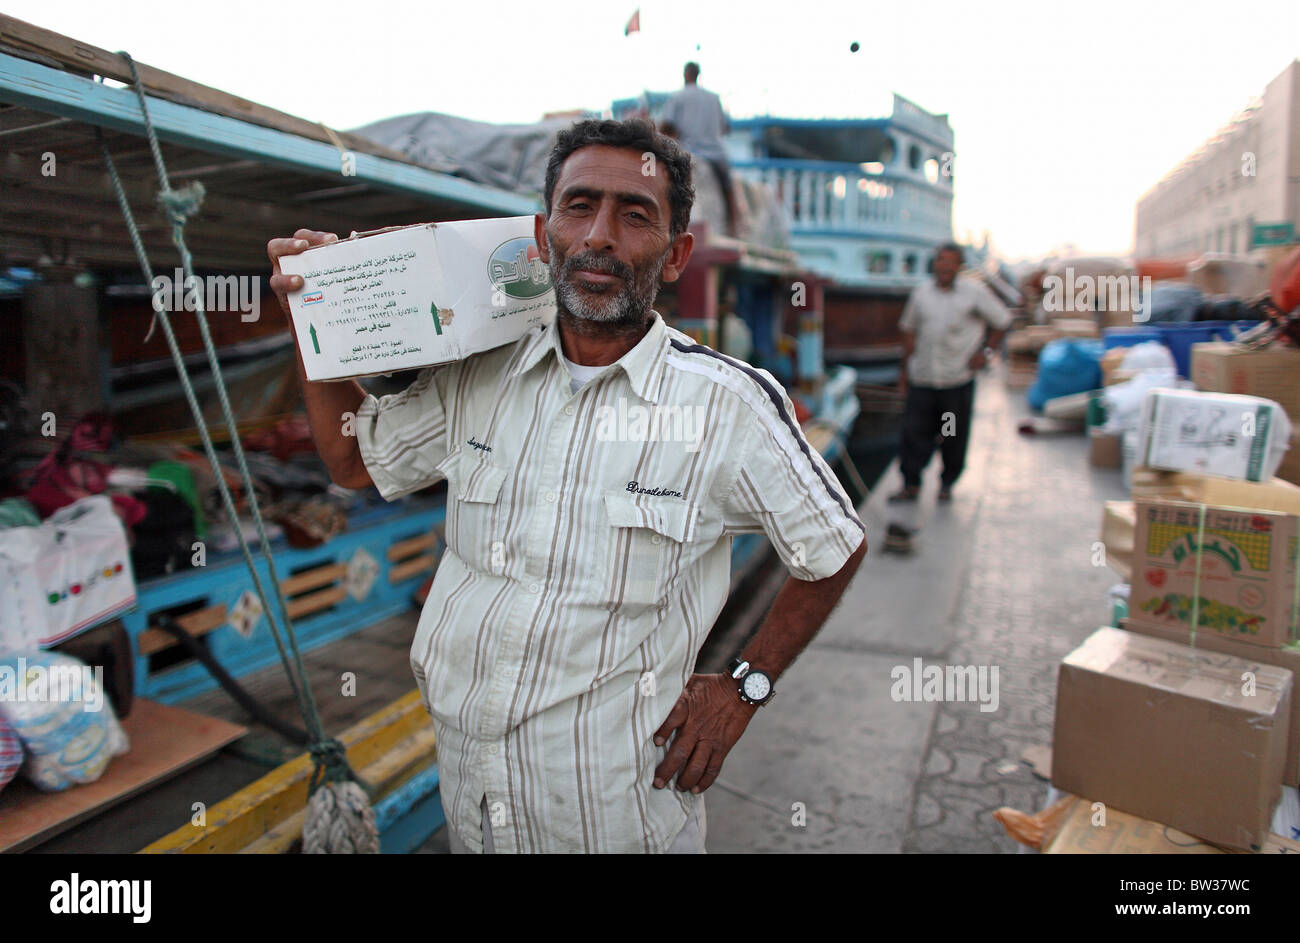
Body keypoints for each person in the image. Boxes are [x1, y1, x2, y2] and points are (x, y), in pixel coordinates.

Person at [267, 118, 866, 854]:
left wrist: (745, 687)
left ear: (677, 254)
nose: (599, 236)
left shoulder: (727, 404)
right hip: (475, 794)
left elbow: (834, 546)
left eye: (634, 214)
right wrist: (314, 314)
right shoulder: (480, 373)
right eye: (578, 206)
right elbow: (355, 462)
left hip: (613, 813)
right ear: (544, 231)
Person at [890, 242, 1011, 504]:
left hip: (956, 381)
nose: (943, 265)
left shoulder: (974, 293)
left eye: (949, 261)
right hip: (922, 379)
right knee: (913, 434)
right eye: (939, 260)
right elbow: (908, 332)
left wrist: (986, 353)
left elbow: (1002, 320)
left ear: (959, 266)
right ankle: (910, 485)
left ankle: (947, 483)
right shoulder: (921, 294)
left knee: (952, 436)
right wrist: (903, 375)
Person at [660, 62, 736, 235]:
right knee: (729, 188)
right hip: (716, 153)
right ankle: (734, 224)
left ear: (685, 75)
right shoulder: (713, 97)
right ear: (698, 75)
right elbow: (724, 127)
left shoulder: (678, 97)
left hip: (689, 150)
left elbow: (666, 126)